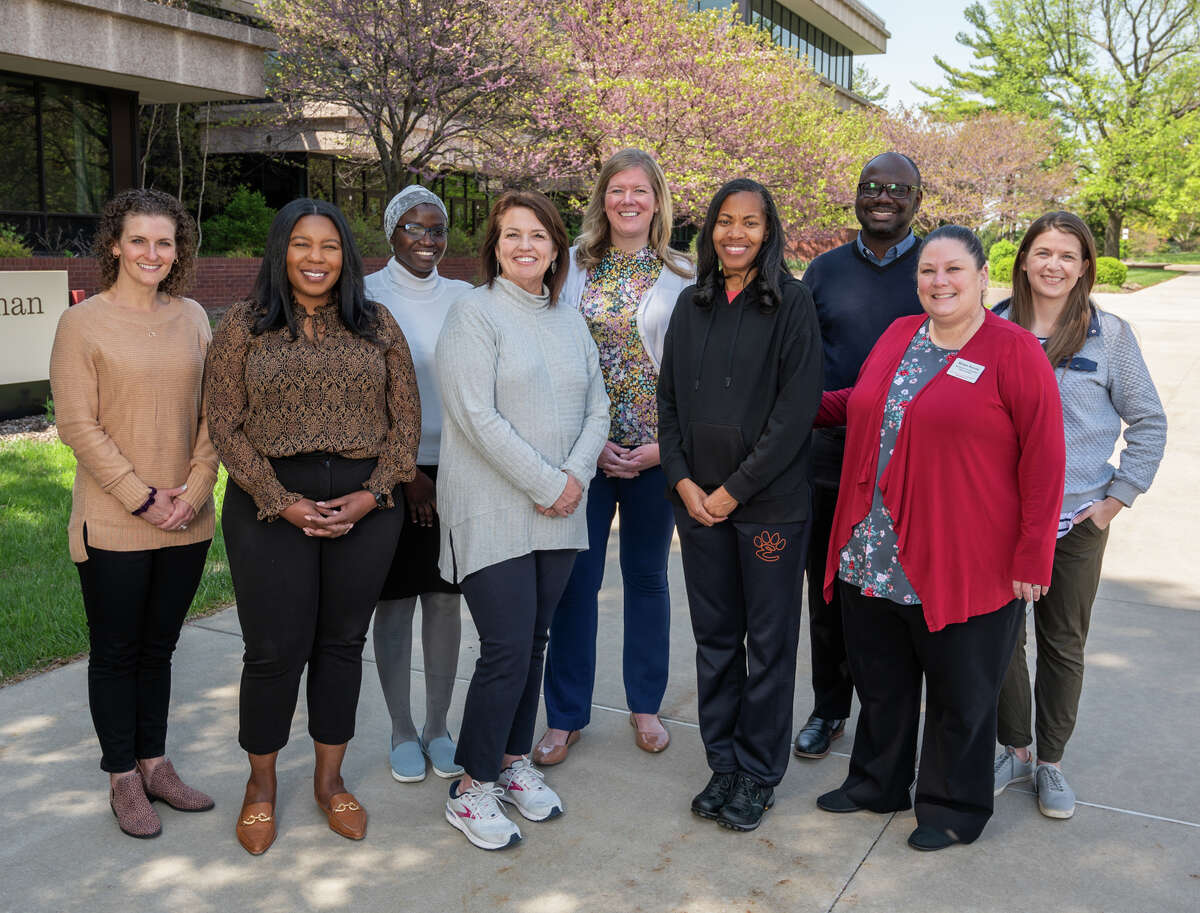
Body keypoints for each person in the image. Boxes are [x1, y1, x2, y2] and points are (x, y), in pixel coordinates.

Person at [813, 225, 1065, 851]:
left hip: (965, 558)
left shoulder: (1014, 350)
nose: (939, 282)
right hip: (873, 551)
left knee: (960, 693)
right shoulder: (900, 334)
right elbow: (865, 401)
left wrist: (1034, 551)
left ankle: (953, 808)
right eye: (928, 271)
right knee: (882, 682)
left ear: (983, 278)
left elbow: (1044, 458)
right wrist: (796, 403)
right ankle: (877, 783)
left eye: (954, 270)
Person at [205, 198, 420, 855]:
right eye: (302, 244)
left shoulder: (378, 323)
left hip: (365, 505)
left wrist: (372, 494)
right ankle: (261, 786)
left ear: (346, 256)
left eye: (329, 246)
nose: (316, 258)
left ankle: (330, 781)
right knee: (273, 650)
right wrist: (279, 498)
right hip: (269, 501)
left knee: (340, 643)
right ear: (281, 251)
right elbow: (223, 422)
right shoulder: (242, 324)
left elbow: (405, 421)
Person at [434, 190, 609, 851]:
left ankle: (510, 763)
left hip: (560, 507)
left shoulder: (569, 319)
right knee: (505, 646)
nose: (526, 245)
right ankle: (470, 787)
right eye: (512, 235)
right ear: (494, 247)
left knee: (534, 640)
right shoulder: (472, 314)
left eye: (537, 234)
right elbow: (476, 417)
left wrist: (574, 480)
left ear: (556, 246)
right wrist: (547, 481)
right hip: (492, 506)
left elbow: (598, 407)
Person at [49, 188, 218, 839]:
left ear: (178, 250)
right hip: (117, 520)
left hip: (187, 519)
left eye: (165, 241)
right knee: (118, 650)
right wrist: (144, 496)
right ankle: (122, 774)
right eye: (140, 239)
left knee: (161, 646)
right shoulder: (82, 324)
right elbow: (77, 426)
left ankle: (155, 762)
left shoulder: (195, 317)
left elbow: (214, 415)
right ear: (115, 244)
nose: (153, 252)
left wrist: (197, 487)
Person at [657, 179, 823, 832]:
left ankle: (758, 773)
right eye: (725, 221)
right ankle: (722, 761)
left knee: (770, 644)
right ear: (710, 230)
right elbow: (667, 402)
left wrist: (733, 489)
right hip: (698, 509)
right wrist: (684, 482)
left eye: (749, 223)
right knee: (717, 641)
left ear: (768, 230)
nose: (735, 233)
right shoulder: (691, 305)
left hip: (767, 509)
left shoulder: (793, 304)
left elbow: (794, 415)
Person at [992, 211, 1166, 819]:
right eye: (1043, 252)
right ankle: (1013, 749)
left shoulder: (1108, 335)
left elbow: (1148, 422)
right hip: (1003, 523)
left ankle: (1051, 763)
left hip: (1075, 521)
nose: (1053, 265)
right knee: (1002, 641)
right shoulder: (992, 328)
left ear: (1085, 266)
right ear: (1023, 260)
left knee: (1062, 643)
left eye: (1068, 255)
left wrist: (1115, 500)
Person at [534, 149, 693, 766]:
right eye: (617, 190)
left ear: (657, 201)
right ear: (603, 198)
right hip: (585, 451)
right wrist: (589, 445)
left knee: (648, 579)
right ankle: (565, 716)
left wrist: (665, 449)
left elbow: (690, 373)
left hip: (656, 453)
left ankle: (645, 705)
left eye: (641, 191)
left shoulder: (682, 273)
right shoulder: (571, 267)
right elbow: (553, 355)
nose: (629, 201)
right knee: (578, 580)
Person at [794, 152, 926, 761]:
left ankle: (889, 717)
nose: (883, 197)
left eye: (897, 189)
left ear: (918, 199)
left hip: (913, 465)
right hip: (827, 460)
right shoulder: (822, 272)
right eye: (871, 186)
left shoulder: (935, 270)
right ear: (856, 195)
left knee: (899, 599)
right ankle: (828, 709)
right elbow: (796, 361)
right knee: (827, 596)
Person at [365, 186, 472, 784]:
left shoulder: (464, 297)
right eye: (413, 227)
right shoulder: (367, 294)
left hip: (457, 466)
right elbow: (365, 390)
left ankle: (438, 725)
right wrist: (406, 473)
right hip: (391, 471)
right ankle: (402, 728)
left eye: (437, 228)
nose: (427, 239)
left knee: (444, 598)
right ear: (391, 232)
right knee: (396, 599)